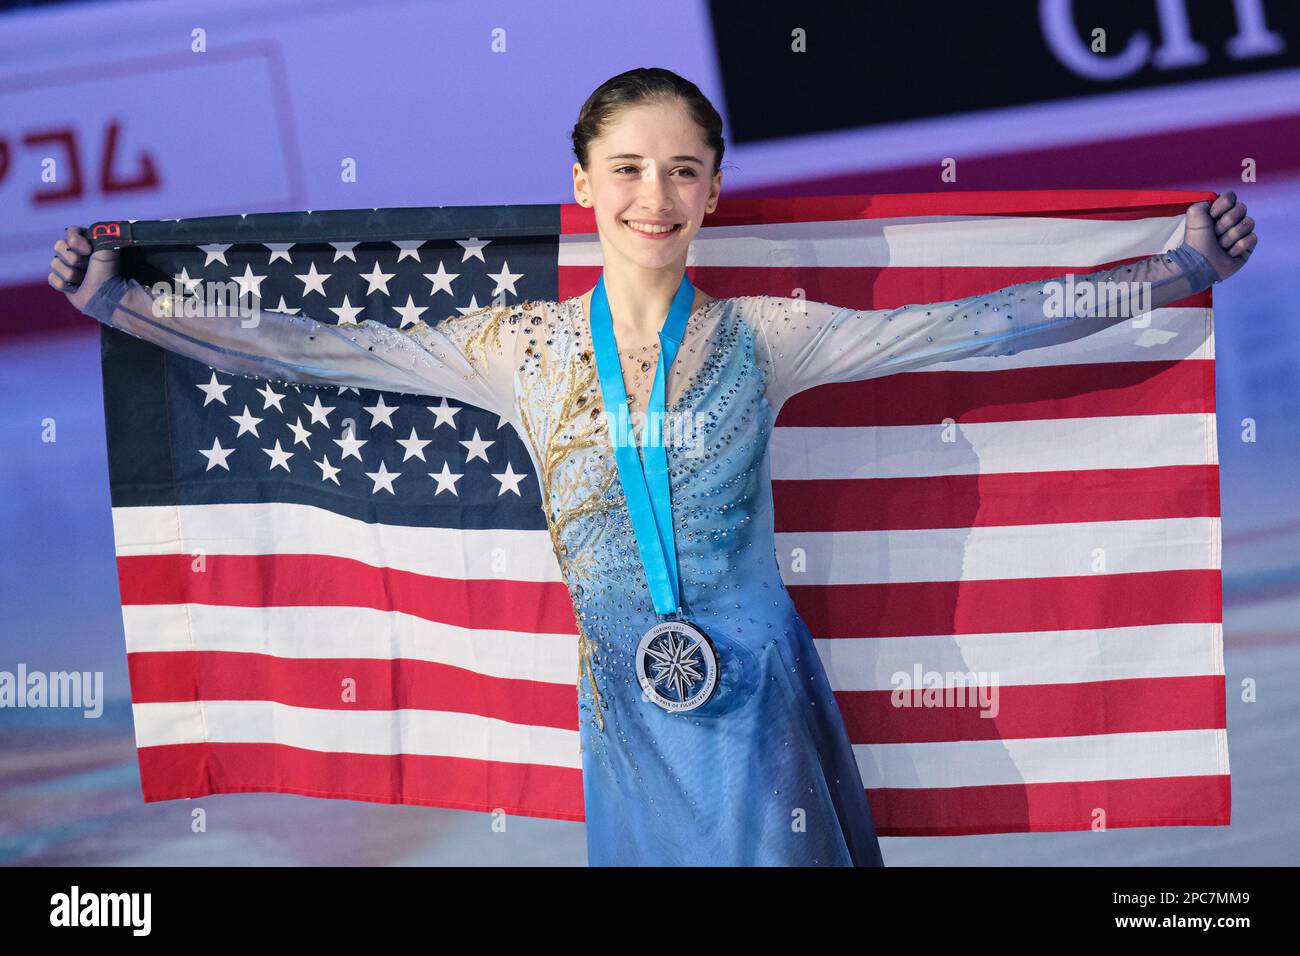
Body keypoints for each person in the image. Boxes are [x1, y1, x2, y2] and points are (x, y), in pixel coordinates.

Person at [49, 67, 1257, 867]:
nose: (654, 191)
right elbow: (321, 351)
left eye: (682, 168)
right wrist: (133, 305)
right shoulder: (516, 348)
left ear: (714, 191)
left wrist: (1165, 275)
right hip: (624, 705)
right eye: (626, 167)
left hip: (755, 708)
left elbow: (974, 324)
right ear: (583, 186)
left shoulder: (765, 335)